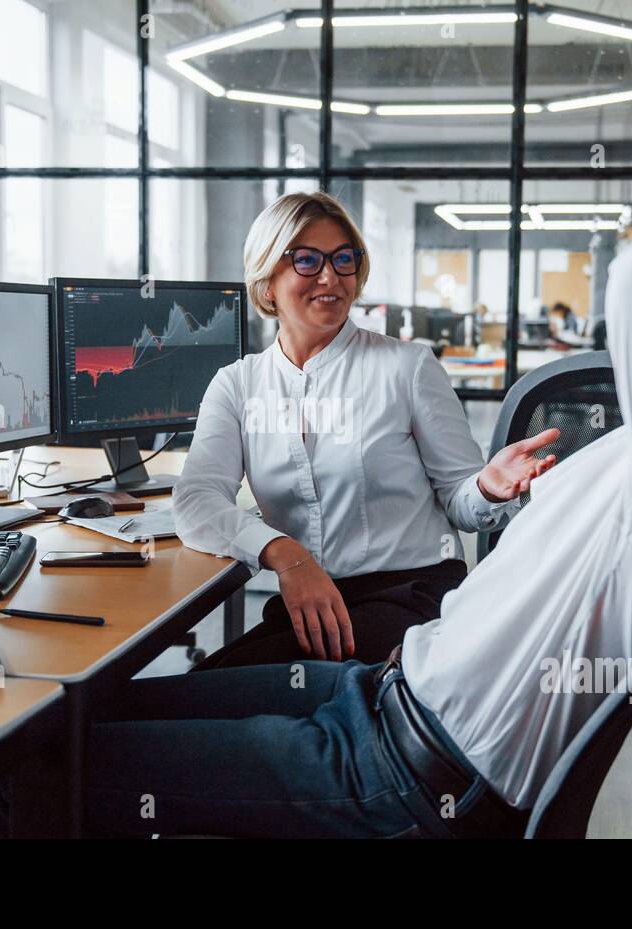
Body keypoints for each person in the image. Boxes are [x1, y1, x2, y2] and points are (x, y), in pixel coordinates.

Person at [81, 159, 632, 838]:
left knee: (49, 761)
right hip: (386, 686)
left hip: (405, 767)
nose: (331, 277)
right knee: (84, 716)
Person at [173, 192, 557, 669]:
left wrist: (487, 489)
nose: (331, 277)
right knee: (204, 690)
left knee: (208, 693)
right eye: (307, 260)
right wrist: (283, 553)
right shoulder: (238, 384)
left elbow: (461, 502)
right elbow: (195, 500)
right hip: (306, 600)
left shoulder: (406, 367)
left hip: (411, 598)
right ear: (267, 281)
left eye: (344, 259)